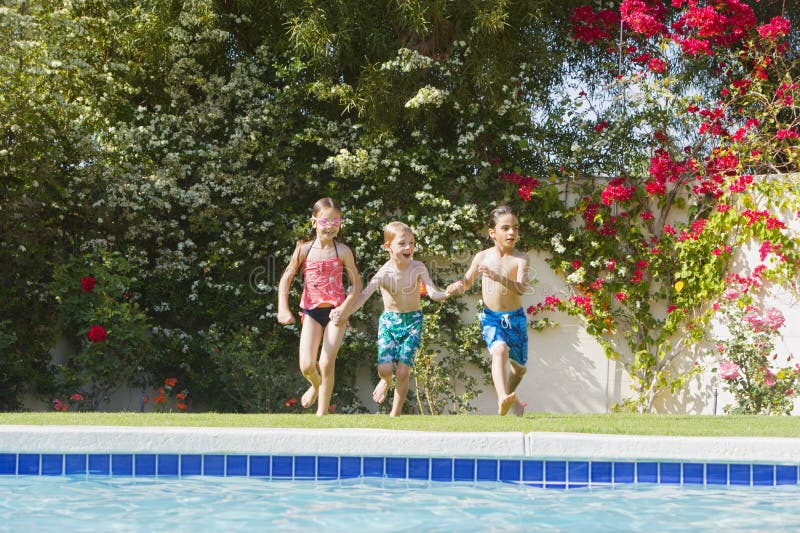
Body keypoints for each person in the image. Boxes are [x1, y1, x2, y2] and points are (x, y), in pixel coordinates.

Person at [347, 221, 448, 416]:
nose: (408, 247)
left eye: (411, 243)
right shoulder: (384, 273)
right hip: (389, 322)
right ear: (388, 247)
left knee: (403, 371)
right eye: (402, 243)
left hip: (413, 322)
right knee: (385, 369)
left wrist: (447, 293)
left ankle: (395, 413)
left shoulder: (418, 268)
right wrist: (344, 313)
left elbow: (433, 292)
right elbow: (363, 296)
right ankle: (385, 380)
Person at [277, 198, 362, 416]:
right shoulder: (303, 249)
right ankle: (315, 386)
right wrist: (283, 309)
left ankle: (322, 414)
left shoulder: (342, 251)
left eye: (336, 221)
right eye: (325, 221)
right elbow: (286, 278)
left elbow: (356, 285)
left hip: (336, 312)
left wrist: (344, 308)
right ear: (314, 222)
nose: (331, 226)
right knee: (307, 366)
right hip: (312, 312)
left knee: (326, 362)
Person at [447, 206, 530, 416]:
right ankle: (502, 398)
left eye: (515, 228)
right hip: (491, 316)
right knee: (499, 350)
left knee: (519, 368)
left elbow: (521, 288)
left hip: (515, 318)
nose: (512, 232)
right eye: (506, 228)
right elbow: (467, 282)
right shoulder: (482, 257)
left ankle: (512, 399)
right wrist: (455, 287)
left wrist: (498, 277)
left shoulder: (520, 259)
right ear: (492, 233)